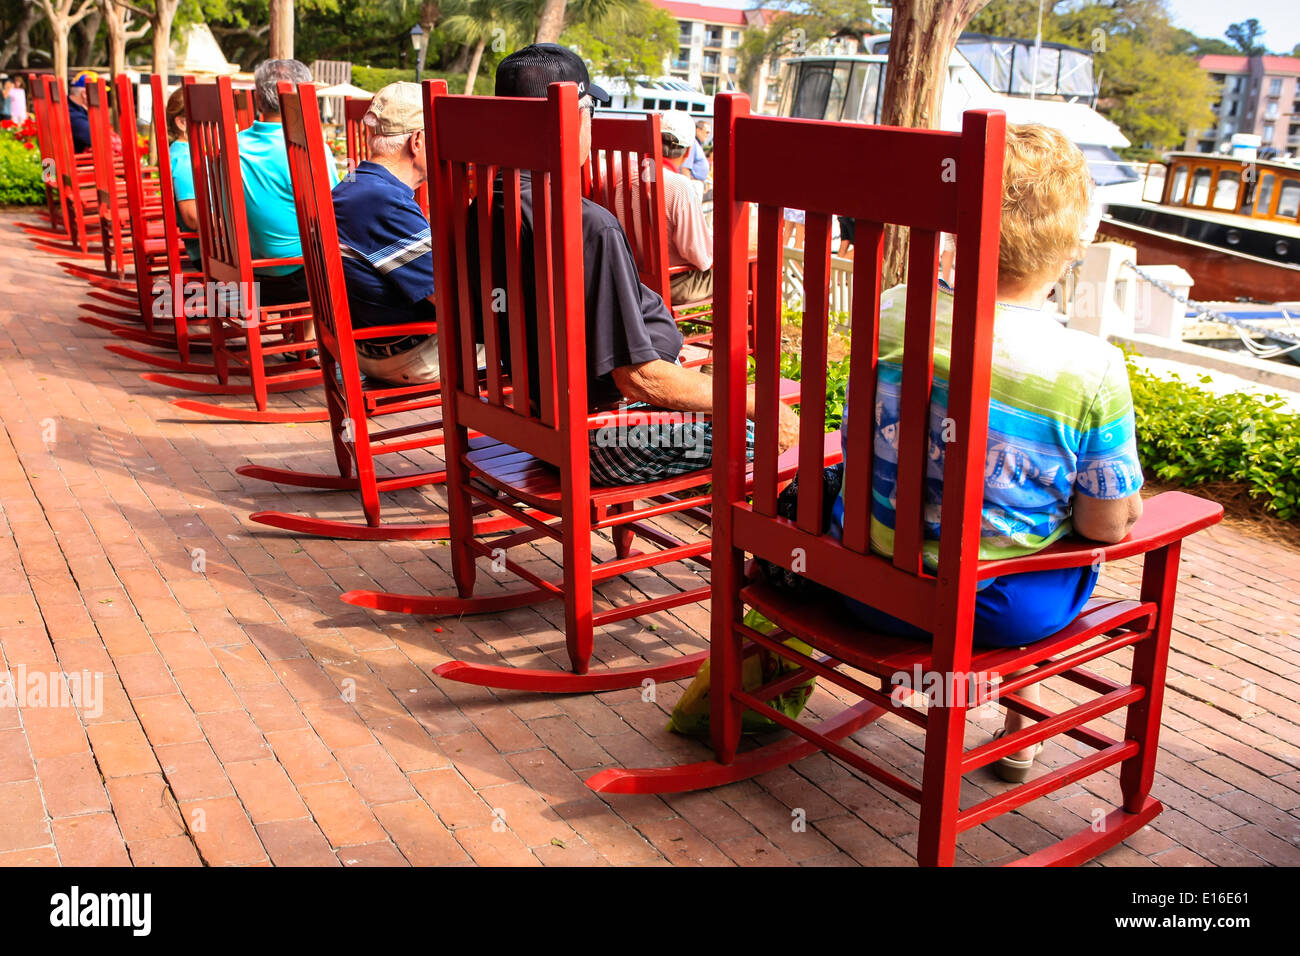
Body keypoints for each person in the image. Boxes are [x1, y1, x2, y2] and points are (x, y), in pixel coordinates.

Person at [831, 123, 1144, 781]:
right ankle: (1020, 710)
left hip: (864, 581)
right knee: (1040, 539)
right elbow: (1104, 526)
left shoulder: (889, 311)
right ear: (1073, 243)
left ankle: (1018, 707)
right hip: (995, 615)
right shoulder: (1092, 366)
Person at [479, 43, 797, 486]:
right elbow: (639, 380)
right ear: (574, 117)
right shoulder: (586, 225)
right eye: (592, 110)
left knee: (722, 402)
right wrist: (753, 405)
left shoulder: (484, 203)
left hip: (528, 420)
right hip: (600, 439)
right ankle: (762, 551)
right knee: (773, 433)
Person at [331, 82, 456, 384]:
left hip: (366, 347)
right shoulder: (385, 203)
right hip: (408, 354)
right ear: (417, 141)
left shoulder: (355, 185)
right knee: (524, 337)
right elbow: (452, 300)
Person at [239, 59, 338, 306]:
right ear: (302, 99)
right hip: (293, 280)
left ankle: (306, 339)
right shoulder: (305, 148)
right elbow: (334, 214)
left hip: (239, 278)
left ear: (258, 99)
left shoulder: (230, 146)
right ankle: (312, 341)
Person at [611, 109, 713, 306]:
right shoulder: (679, 186)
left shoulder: (619, 173)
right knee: (737, 268)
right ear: (689, 151)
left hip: (629, 277)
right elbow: (700, 257)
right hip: (672, 282)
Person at [163, 86, 202, 267]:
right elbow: (193, 219)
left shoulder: (187, 153)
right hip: (210, 253)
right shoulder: (186, 161)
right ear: (182, 123)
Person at [67, 72, 93, 154]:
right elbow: (98, 140)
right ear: (84, 94)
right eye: (97, 92)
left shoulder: (68, 107)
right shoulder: (74, 116)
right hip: (77, 163)